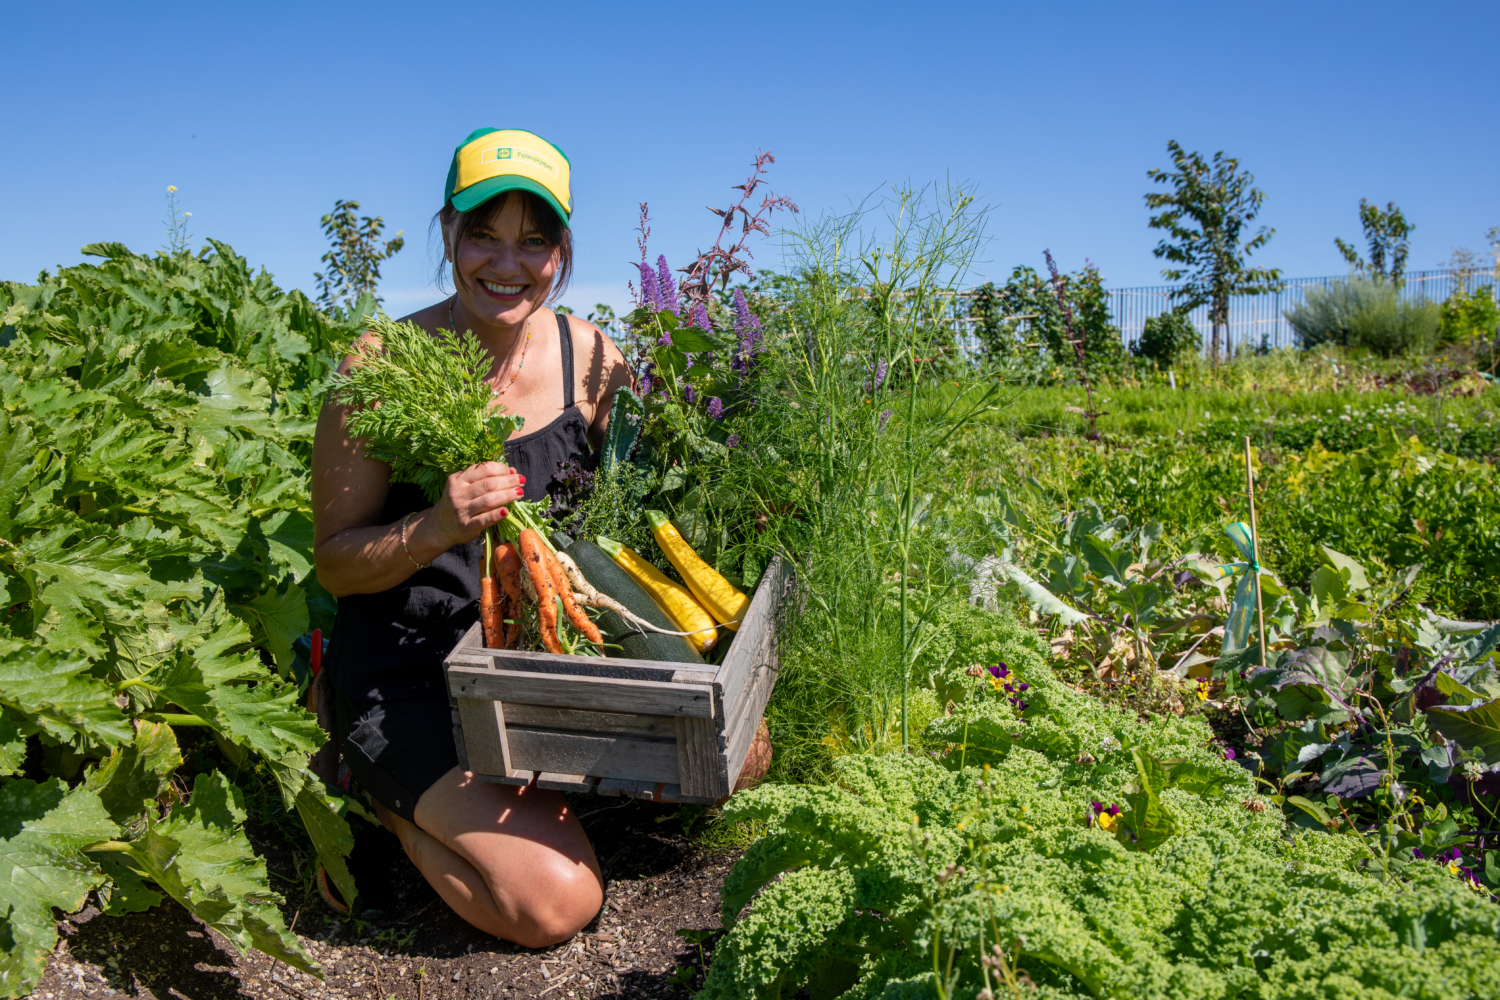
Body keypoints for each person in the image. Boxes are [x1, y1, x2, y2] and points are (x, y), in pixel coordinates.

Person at [311, 128, 631, 947]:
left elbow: (630, 513)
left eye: (534, 240)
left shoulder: (592, 358)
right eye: (482, 233)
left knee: (742, 751)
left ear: (561, 250)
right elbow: (338, 564)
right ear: (448, 233)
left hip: (529, 665)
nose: (506, 263)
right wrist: (434, 526)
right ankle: (373, 796)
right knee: (554, 903)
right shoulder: (381, 367)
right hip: (406, 676)